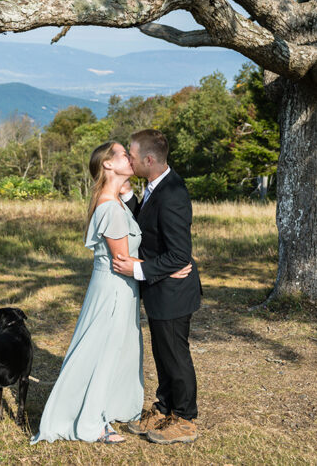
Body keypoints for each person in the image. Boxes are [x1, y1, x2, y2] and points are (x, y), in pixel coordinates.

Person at [32, 141, 192, 444]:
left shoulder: (117, 201)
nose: (130, 159)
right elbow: (122, 261)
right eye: (122, 154)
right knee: (104, 352)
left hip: (122, 289)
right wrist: (168, 267)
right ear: (108, 164)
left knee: (117, 351)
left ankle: (109, 407)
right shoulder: (110, 208)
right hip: (114, 290)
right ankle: (91, 422)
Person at [113, 129, 203, 445]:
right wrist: (128, 198)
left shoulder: (173, 193)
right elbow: (151, 227)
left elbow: (179, 254)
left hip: (174, 293)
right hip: (160, 290)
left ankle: (185, 419)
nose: (129, 161)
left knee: (175, 356)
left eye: (133, 157)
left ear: (149, 160)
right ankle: (164, 408)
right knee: (162, 353)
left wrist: (138, 268)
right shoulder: (155, 186)